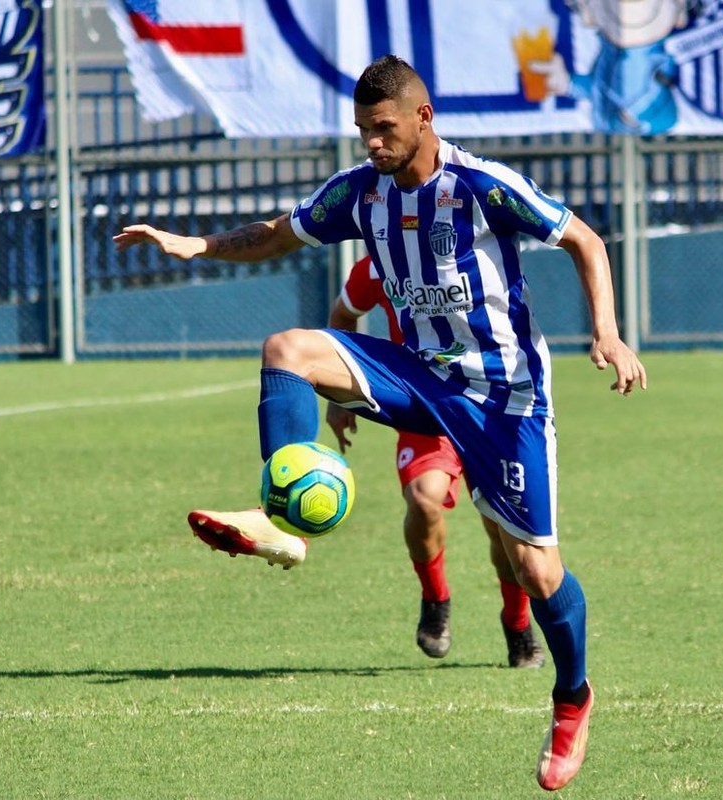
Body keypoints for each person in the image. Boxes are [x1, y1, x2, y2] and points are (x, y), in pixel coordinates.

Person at [114, 54, 646, 792]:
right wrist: (196, 243)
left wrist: (608, 333)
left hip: (502, 396)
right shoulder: (361, 193)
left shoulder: (481, 186)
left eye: (384, 127)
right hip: (418, 374)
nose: (372, 142)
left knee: (535, 569)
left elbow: (585, 239)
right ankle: (281, 520)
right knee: (287, 350)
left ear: (423, 118)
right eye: (363, 128)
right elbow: (276, 233)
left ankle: (572, 697)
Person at [328, 253, 545, 669]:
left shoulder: (476, 256)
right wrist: (339, 398)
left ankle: (517, 623)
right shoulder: (378, 265)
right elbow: (343, 315)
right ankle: (435, 598)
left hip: (489, 406)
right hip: (427, 408)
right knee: (423, 498)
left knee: (503, 527)